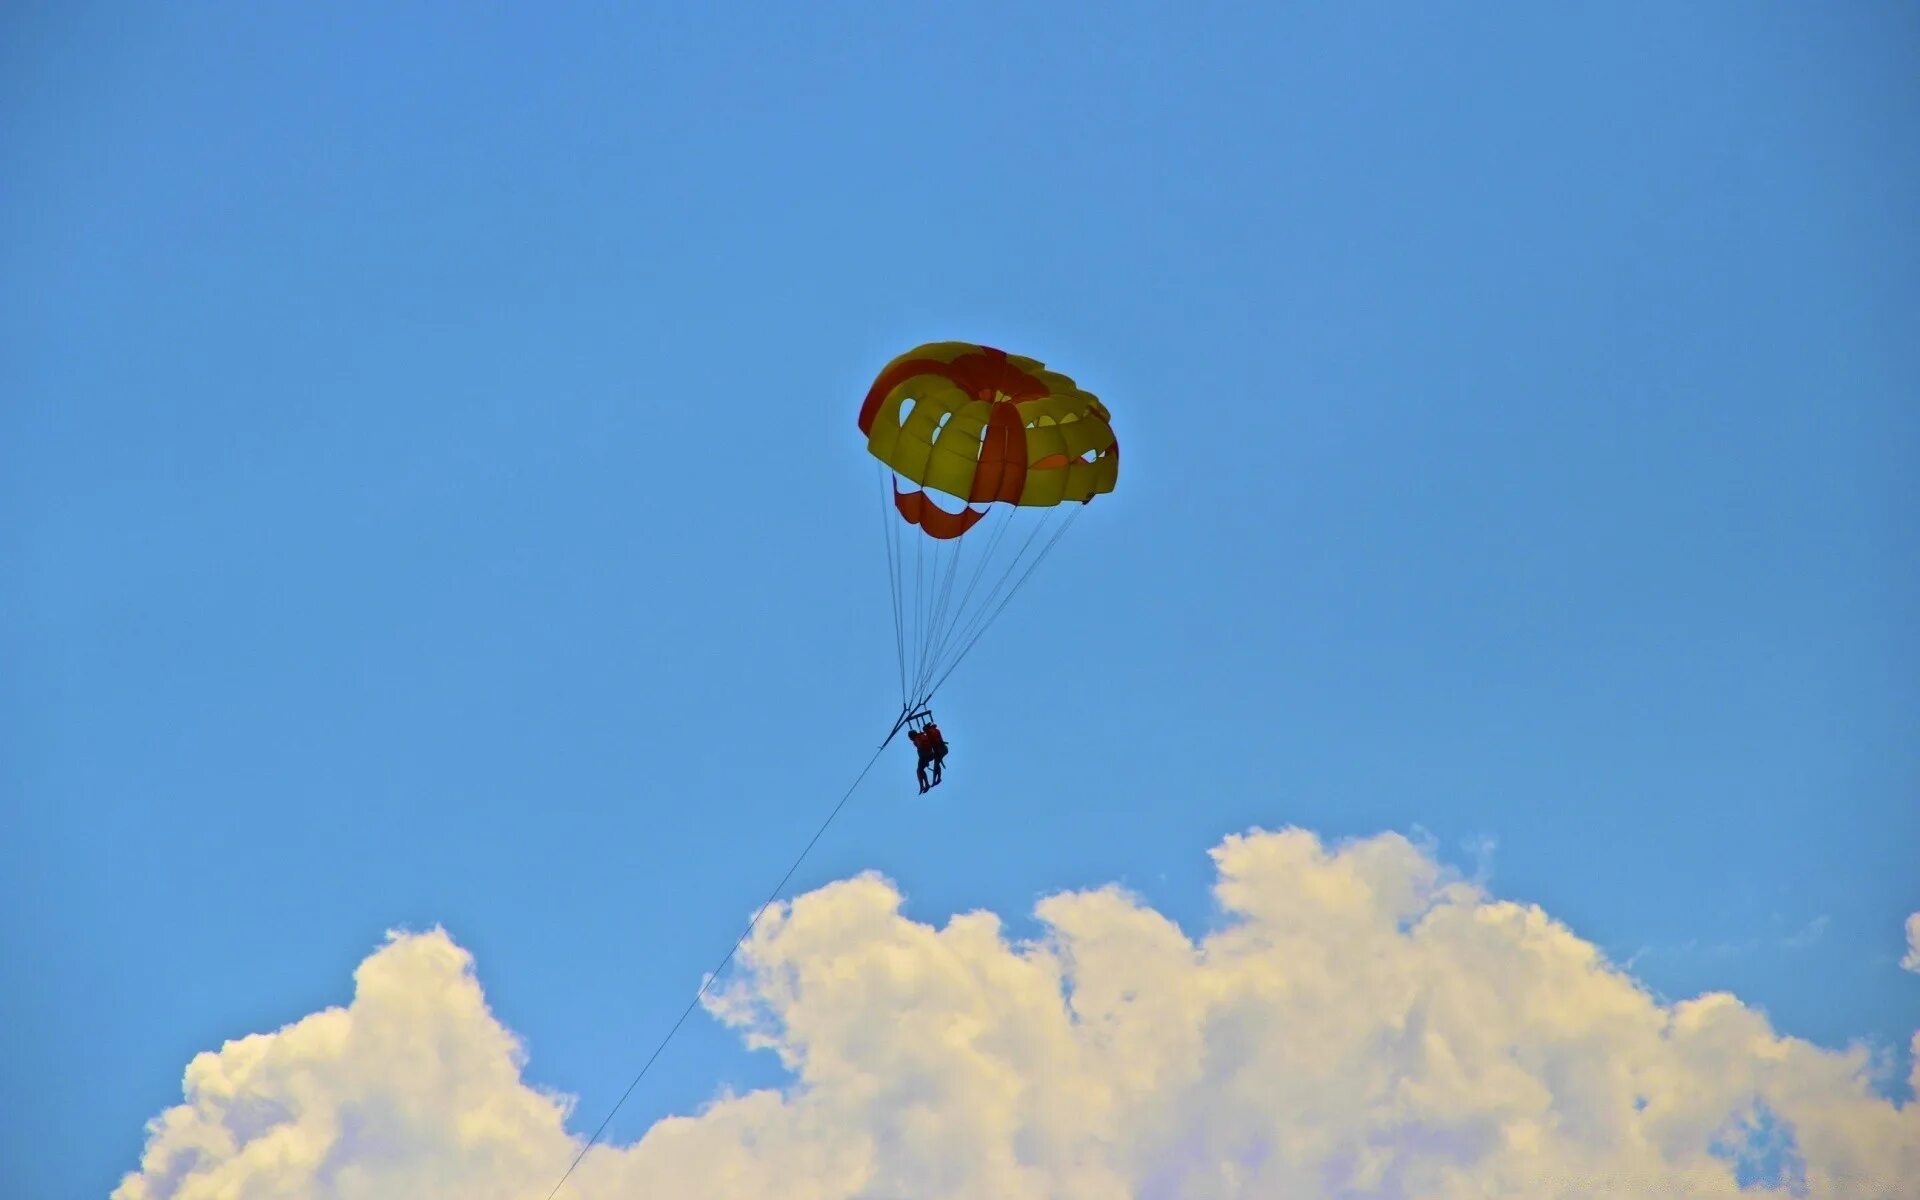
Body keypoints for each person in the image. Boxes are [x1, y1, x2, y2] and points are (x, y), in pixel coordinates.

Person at [921, 720, 947, 786]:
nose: (925, 732)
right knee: (937, 764)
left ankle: (935, 780)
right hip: (940, 750)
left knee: (936, 765)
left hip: (941, 749)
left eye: (925, 730)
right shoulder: (933, 731)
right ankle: (936, 780)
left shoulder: (931, 732)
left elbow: (934, 741)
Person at [907, 726, 932, 793]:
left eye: (910, 737)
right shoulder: (922, 735)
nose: (910, 739)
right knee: (920, 770)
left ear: (912, 736)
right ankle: (925, 785)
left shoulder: (917, 738)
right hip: (929, 754)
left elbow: (921, 746)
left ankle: (924, 785)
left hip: (924, 755)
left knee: (919, 770)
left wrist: (922, 755)